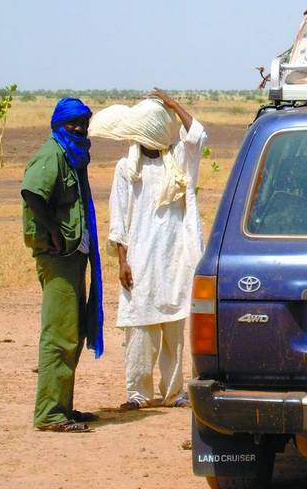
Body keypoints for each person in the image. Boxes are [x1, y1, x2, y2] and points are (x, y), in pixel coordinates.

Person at [92, 88, 206, 410]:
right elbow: (119, 218)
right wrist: (122, 262)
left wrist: (172, 104)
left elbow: (197, 134)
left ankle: (173, 394)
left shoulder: (180, 161)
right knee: (139, 332)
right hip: (140, 261)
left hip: (174, 260)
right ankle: (137, 395)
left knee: (173, 330)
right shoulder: (126, 169)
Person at [21, 97, 104, 433]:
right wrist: (53, 231)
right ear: (58, 124)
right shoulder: (52, 154)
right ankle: (50, 414)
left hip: (72, 256)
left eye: (84, 122)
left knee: (74, 330)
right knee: (59, 335)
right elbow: (32, 193)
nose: (81, 128)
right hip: (58, 258)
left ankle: (63, 408)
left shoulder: (71, 157)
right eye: (74, 123)